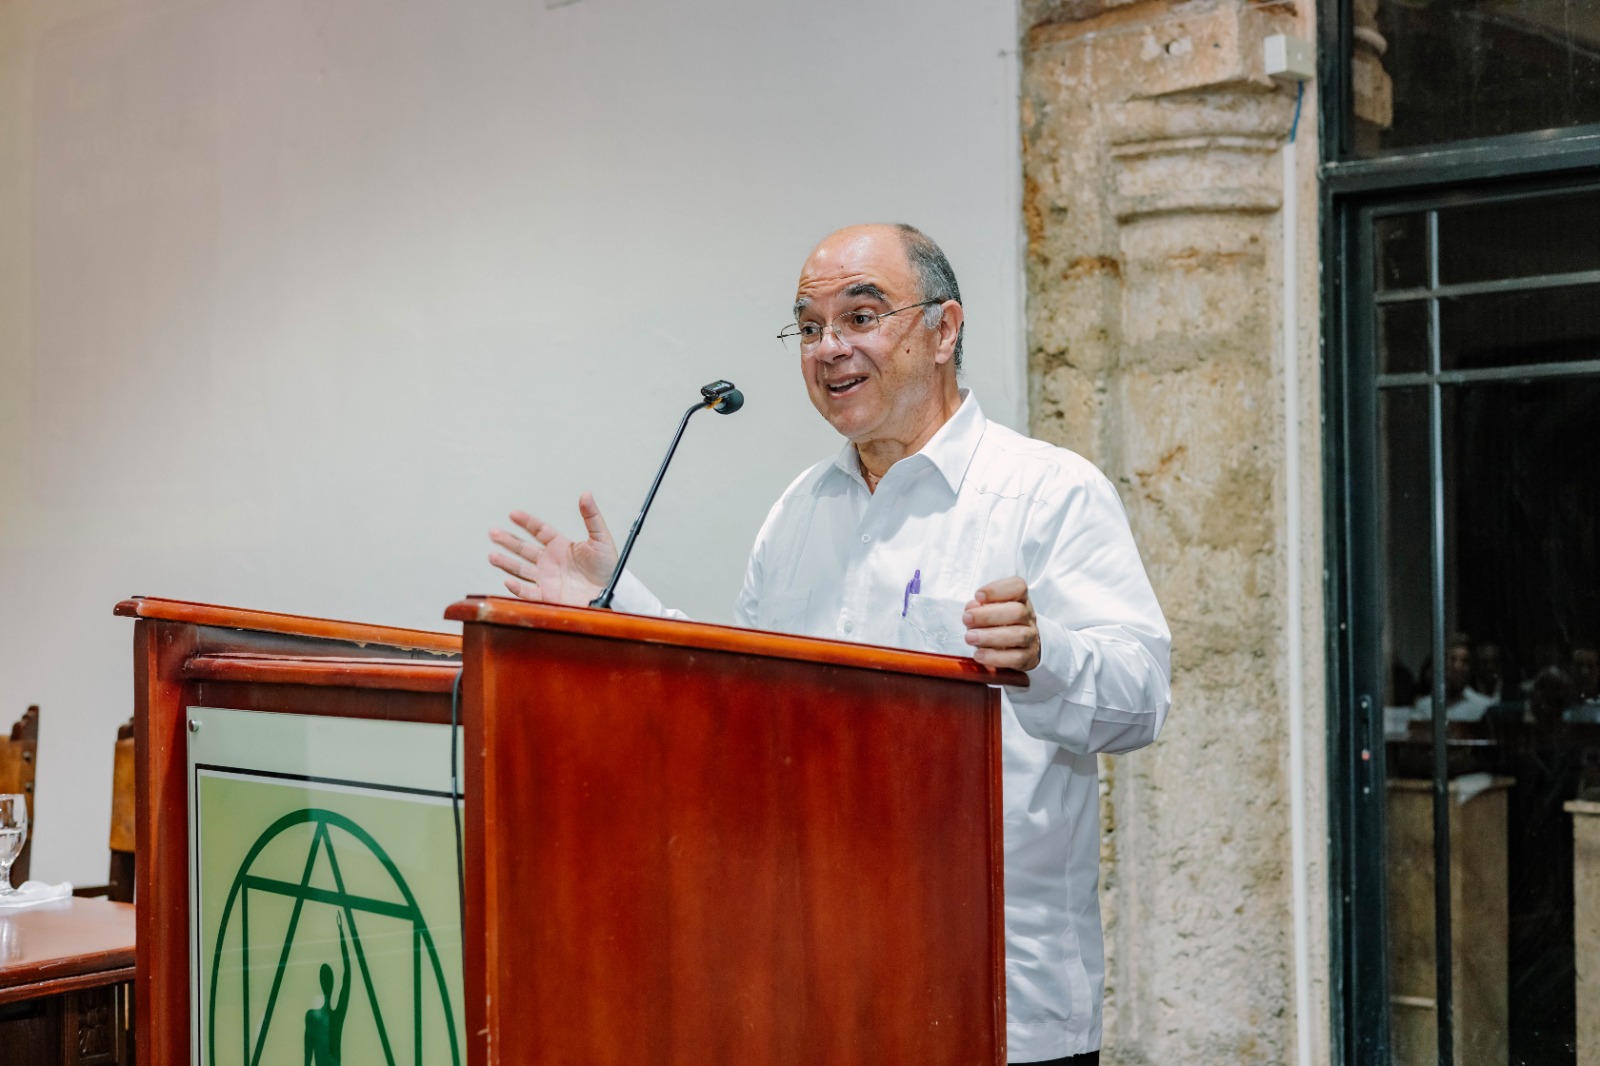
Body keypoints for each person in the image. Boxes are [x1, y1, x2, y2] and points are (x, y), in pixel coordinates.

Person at [488, 223, 1171, 1065]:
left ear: (944, 329)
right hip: (818, 990)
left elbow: (1142, 698)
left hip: (1000, 1004)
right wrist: (617, 603)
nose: (829, 348)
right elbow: (747, 714)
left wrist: (1046, 652)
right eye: (809, 328)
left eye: (860, 316)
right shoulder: (800, 512)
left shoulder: (1047, 492)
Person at [304, 913, 351, 1066]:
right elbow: (347, 974)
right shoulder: (322, 1018)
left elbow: (348, 975)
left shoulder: (316, 1018)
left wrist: (342, 934)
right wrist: (341, 933)